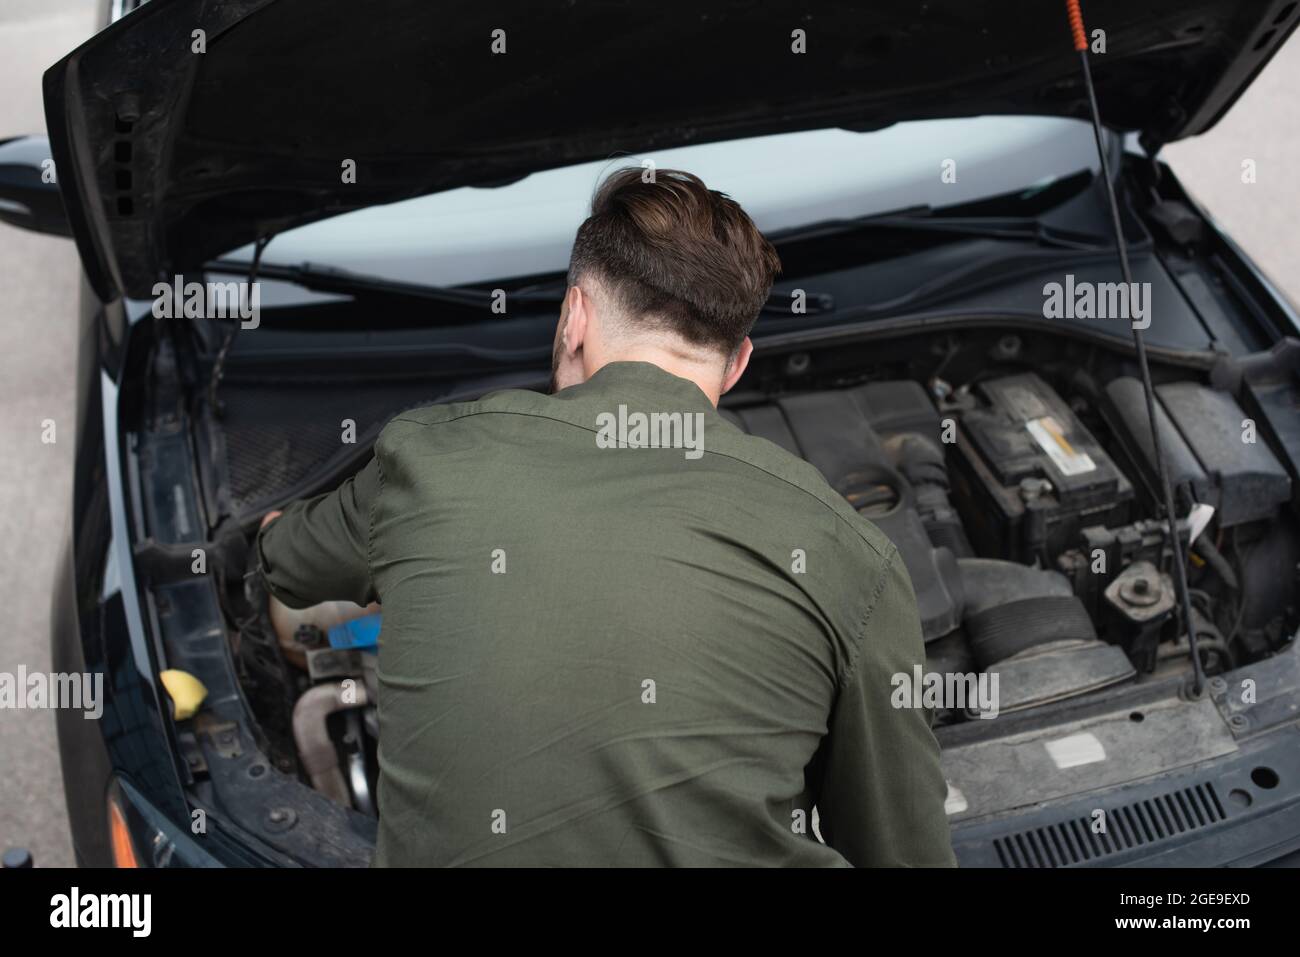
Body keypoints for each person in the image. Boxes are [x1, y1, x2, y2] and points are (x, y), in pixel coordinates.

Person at [256, 168, 955, 867]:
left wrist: (274, 534)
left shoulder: (425, 459)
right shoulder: (852, 557)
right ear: (738, 362)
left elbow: (284, 561)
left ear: (574, 316)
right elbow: (903, 849)